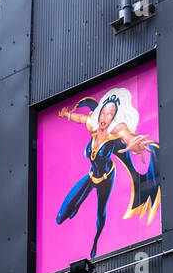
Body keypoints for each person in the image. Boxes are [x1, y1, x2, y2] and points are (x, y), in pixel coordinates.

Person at [55, 87, 159, 260]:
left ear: (114, 117)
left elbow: (128, 136)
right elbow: (81, 118)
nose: (105, 117)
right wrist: (66, 115)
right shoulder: (94, 126)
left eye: (109, 114)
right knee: (60, 217)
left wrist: (135, 144)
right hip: (91, 176)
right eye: (103, 113)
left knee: (100, 212)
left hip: (106, 178)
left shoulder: (116, 130)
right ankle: (75, 206)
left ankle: (96, 242)